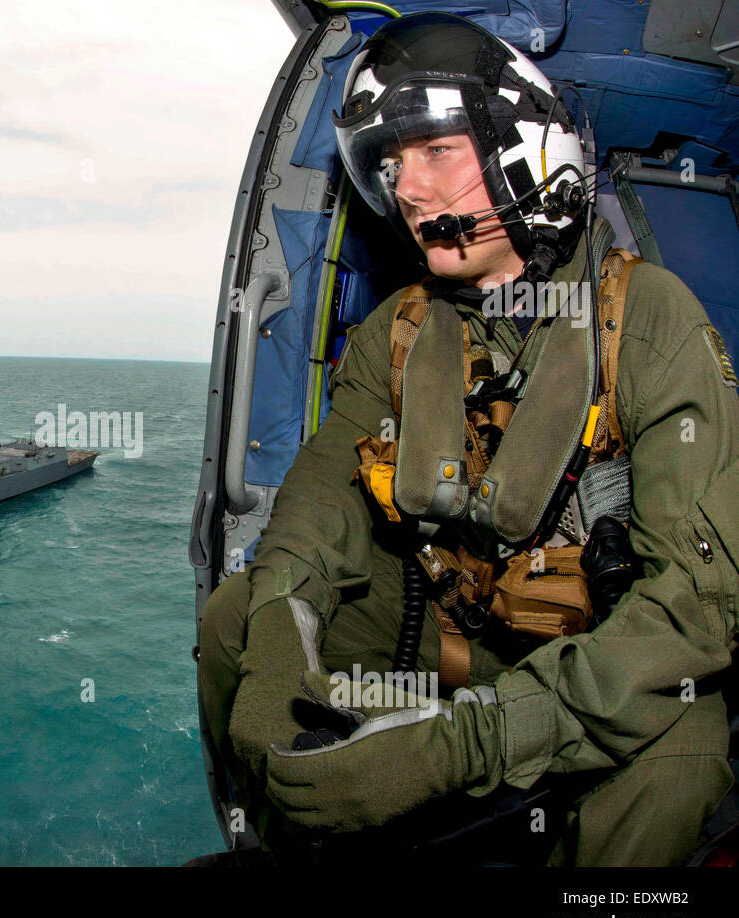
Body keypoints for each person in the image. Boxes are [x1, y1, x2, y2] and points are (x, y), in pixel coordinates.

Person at [198, 12, 738, 865]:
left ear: (530, 151)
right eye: (389, 164)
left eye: (435, 150)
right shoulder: (400, 332)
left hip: (592, 653)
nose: (406, 187)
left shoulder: (649, 322)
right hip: (446, 632)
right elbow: (324, 492)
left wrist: (466, 745)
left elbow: (694, 612)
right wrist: (279, 624)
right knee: (241, 616)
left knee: (684, 753)